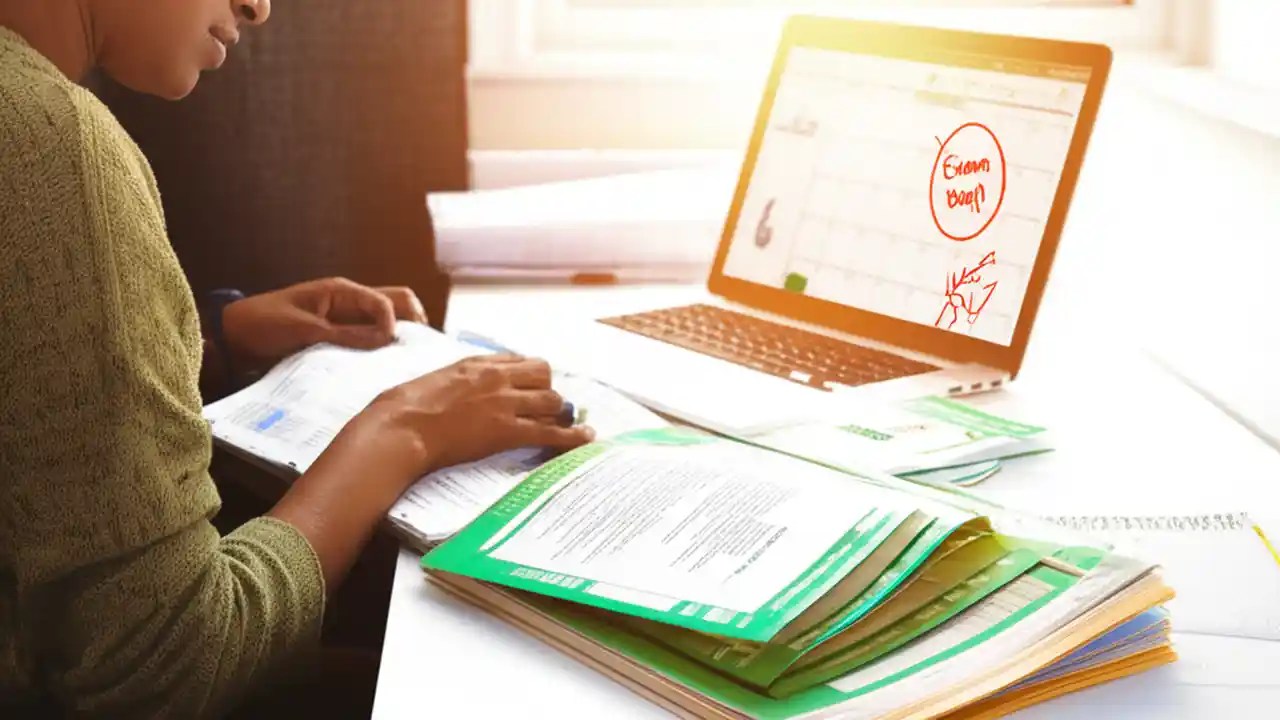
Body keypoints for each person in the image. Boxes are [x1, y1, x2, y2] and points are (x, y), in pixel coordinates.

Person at [0, 1, 596, 717]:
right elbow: (168, 664)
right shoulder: (50, 142)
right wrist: (403, 433)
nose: (258, 6)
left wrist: (213, 338)